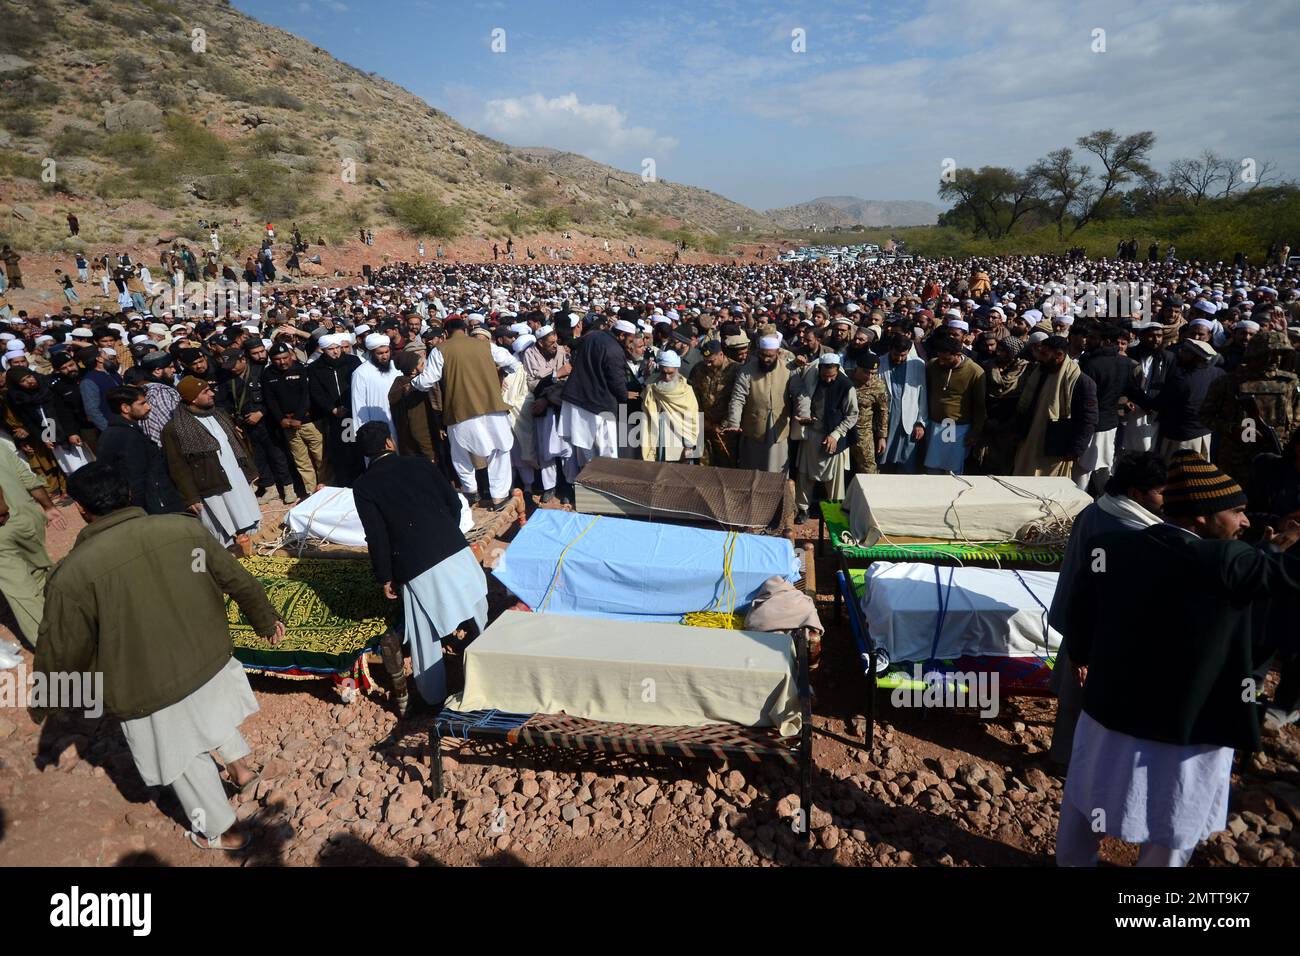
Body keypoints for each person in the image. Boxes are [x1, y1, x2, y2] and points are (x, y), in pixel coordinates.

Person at [1057, 451, 1300, 867]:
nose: (1245, 523)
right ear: (1202, 518)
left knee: (1087, 794)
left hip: (1108, 713)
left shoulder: (1110, 547)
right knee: (1175, 818)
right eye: (1237, 512)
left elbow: (1079, 615)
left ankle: (1072, 862)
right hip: (1188, 729)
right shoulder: (1228, 561)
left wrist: (1082, 656)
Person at [32, 462, 284, 852]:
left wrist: (49, 702)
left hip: (145, 687)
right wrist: (265, 620)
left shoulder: (73, 575)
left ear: (81, 510)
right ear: (130, 494)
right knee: (207, 712)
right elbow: (236, 578)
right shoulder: (183, 529)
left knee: (180, 760)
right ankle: (241, 767)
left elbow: (62, 646)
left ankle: (223, 831)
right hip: (207, 660)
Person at [351, 422, 488, 711]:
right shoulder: (420, 463)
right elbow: (453, 502)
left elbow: (376, 535)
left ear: (366, 455)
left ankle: (434, 697)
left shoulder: (363, 486)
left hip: (415, 566)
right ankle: (496, 672)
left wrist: (385, 575)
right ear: (390, 443)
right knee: (479, 614)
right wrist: (445, 534)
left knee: (426, 635)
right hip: (454, 549)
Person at [1046, 451, 1167, 769]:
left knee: (1072, 703)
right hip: (1100, 631)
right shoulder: (1129, 530)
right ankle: (1080, 766)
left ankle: (1063, 758)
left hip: (1080, 624)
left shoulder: (1096, 510)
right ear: (1136, 494)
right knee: (1090, 704)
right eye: (1160, 492)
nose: (1165, 499)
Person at [412, 318, 514, 507]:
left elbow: (427, 380)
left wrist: (413, 383)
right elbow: (512, 363)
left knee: (461, 455)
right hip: (493, 409)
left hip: (461, 412)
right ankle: (499, 496)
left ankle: (471, 491)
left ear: (445, 333)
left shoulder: (441, 350)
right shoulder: (486, 346)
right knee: (499, 452)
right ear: (466, 330)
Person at [161, 376, 261, 551]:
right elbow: (177, 467)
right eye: (205, 392)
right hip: (211, 484)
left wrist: (250, 471)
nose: (212, 393)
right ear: (192, 398)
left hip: (236, 477)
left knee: (247, 516)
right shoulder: (174, 429)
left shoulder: (220, 414)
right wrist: (190, 497)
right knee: (221, 528)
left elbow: (237, 445)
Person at [0, 439, 61, 648]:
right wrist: (49, 506)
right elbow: (29, 479)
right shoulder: (1, 444)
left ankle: (53, 647)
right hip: (28, 519)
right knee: (40, 573)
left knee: (21, 591)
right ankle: (67, 624)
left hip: (2, 530)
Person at [1012, 336, 1098, 478]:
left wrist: (1076, 449)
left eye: (1045, 354)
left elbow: (1088, 419)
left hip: (1056, 447)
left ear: (1059, 355)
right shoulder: (1040, 373)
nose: (1040, 358)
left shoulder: (1081, 382)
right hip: (1029, 442)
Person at [97, 386, 185, 514]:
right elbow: (137, 480)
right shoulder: (128, 436)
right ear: (125, 408)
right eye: (142, 403)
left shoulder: (115, 432)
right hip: (152, 509)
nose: (148, 407)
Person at [791, 353, 858, 523]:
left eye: (832, 376)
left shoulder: (846, 386)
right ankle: (803, 509)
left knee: (835, 481)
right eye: (825, 376)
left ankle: (836, 513)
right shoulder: (811, 380)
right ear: (819, 370)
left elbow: (852, 415)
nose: (828, 380)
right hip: (812, 434)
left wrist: (835, 435)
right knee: (804, 476)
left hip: (835, 437)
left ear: (837, 371)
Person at [558, 317, 628, 471]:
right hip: (598, 406)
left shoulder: (593, 336)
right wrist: (625, 397)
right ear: (622, 335)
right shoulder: (613, 349)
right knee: (606, 452)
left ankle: (586, 488)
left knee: (584, 449)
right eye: (630, 340)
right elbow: (616, 381)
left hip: (579, 400)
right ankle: (601, 488)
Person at [722, 333, 795, 472]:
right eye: (763, 355)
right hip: (753, 429)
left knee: (775, 472)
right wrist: (734, 423)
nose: (766, 359)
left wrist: (803, 414)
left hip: (778, 430)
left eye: (770, 356)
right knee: (751, 471)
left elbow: (799, 394)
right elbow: (738, 398)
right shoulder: (747, 370)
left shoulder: (788, 370)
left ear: (778, 353)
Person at [262, 342, 325, 492]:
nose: (282, 362)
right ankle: (311, 491)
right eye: (277, 359)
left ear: (291, 355)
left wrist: (298, 417)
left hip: (308, 422)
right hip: (287, 424)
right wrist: (280, 419)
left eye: (285, 358)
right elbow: (270, 400)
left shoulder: (301, 369)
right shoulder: (268, 374)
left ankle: (325, 486)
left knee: (320, 457)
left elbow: (307, 395)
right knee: (301, 460)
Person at [923, 335, 985, 475]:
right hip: (934, 425)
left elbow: (979, 405)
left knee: (950, 467)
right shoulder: (933, 365)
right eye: (940, 358)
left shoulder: (975, 371)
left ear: (958, 354)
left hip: (955, 427)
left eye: (946, 359)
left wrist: (975, 431)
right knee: (932, 467)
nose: (942, 362)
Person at [878, 331, 928, 473]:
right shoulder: (880, 362)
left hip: (909, 422)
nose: (899, 359)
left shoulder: (918, 364)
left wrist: (921, 422)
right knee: (883, 462)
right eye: (896, 355)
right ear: (890, 349)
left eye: (903, 356)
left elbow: (922, 395)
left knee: (907, 464)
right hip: (886, 421)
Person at [640, 350, 699, 462]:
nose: (666, 377)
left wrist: (688, 445)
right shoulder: (652, 388)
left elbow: (692, 419)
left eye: (670, 373)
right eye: (663, 373)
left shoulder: (686, 391)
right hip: (659, 438)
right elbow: (647, 417)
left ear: (677, 369)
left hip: (679, 441)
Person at [350, 333, 401, 441]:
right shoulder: (361, 373)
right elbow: (358, 405)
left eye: (387, 352)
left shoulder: (396, 367)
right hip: (376, 427)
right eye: (380, 353)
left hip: (398, 421)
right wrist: (364, 432)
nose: (385, 356)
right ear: (372, 353)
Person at [849, 352, 889, 475]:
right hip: (841, 428)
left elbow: (883, 411)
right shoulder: (845, 376)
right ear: (858, 368)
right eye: (866, 372)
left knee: (868, 466)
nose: (870, 377)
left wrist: (882, 436)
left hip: (863, 430)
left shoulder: (878, 385)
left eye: (873, 373)